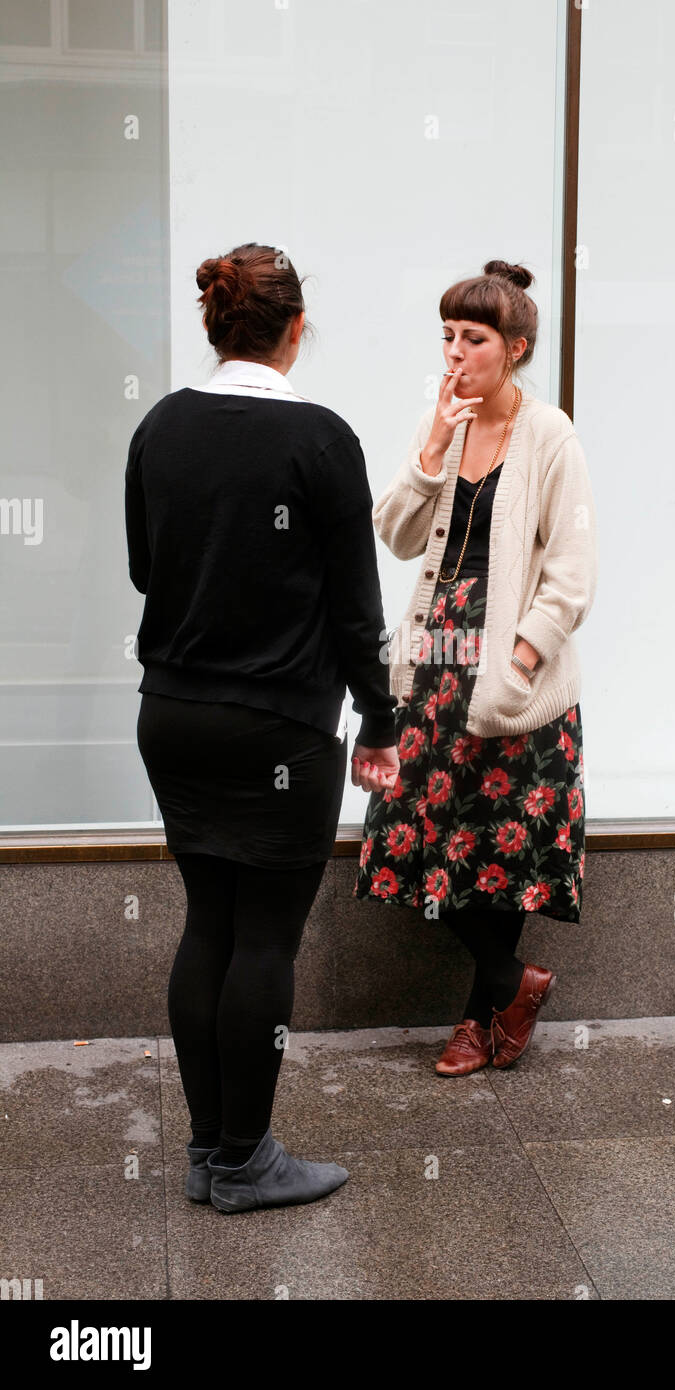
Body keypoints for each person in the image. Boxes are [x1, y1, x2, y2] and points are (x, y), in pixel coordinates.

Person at [124, 242, 400, 1213]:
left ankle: (210, 1151)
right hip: (279, 726)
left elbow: (144, 570)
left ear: (216, 324)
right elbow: (359, 611)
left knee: (209, 920)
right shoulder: (320, 440)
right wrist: (381, 717)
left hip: (171, 715)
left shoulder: (162, 426)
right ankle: (246, 1160)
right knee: (265, 942)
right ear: (295, 329)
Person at [352, 260, 599, 1076]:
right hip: (433, 664)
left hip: (510, 671)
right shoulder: (448, 428)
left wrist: (521, 663)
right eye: (449, 337)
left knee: (499, 844)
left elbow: (571, 570)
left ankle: (473, 1021)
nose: (456, 354)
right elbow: (390, 533)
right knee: (415, 831)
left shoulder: (550, 433)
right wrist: (429, 445)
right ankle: (509, 981)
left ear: (515, 348)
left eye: (474, 339)